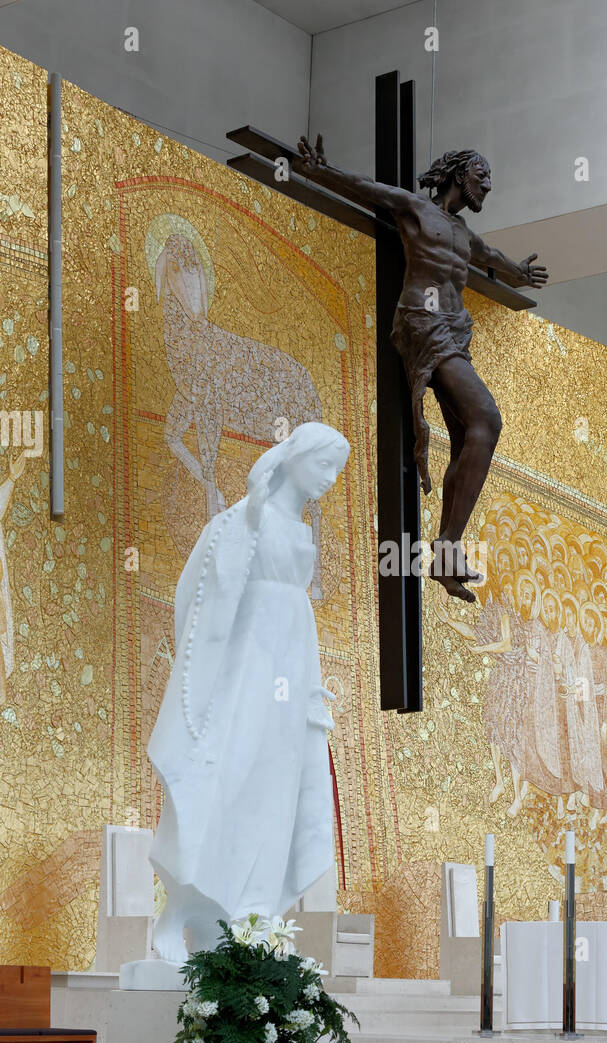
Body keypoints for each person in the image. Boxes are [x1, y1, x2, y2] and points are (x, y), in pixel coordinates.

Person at [294, 133, 548, 601]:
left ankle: (446, 555)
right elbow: (367, 188)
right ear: (459, 174)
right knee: (487, 419)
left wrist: (518, 272)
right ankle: (448, 544)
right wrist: (321, 172)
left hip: (454, 331)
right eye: (482, 175)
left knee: (468, 437)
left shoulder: (463, 233)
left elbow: (491, 257)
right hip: (423, 322)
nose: (488, 185)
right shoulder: (415, 208)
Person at [147, 422, 349, 963]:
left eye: (337, 470)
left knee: (277, 784)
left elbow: (299, 617)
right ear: (295, 457)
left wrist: (306, 687)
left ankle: (252, 916)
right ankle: (190, 906)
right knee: (228, 773)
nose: (330, 479)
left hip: (289, 665)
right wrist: (214, 671)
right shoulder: (243, 520)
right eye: (324, 465)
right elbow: (199, 594)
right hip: (247, 667)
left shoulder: (300, 532)